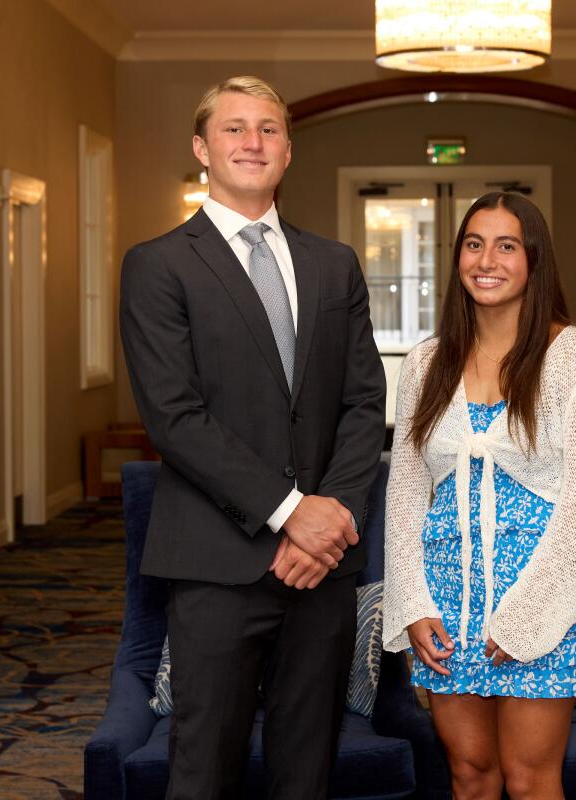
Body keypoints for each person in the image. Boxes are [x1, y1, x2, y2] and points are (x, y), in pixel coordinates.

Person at [119, 76, 385, 799]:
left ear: (288, 151)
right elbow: (174, 417)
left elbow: (365, 403)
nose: (252, 142)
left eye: (268, 129)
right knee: (204, 769)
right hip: (216, 562)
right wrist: (291, 512)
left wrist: (331, 516)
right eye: (234, 128)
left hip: (323, 566)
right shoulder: (159, 265)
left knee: (307, 769)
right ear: (202, 148)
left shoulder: (334, 264)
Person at [383, 191, 576, 798]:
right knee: (470, 775)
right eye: (474, 243)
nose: (487, 260)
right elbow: (406, 489)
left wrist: (529, 616)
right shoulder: (425, 363)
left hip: (540, 594)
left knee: (532, 779)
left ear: (534, 261)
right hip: (445, 600)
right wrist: (411, 602)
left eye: (507, 245)